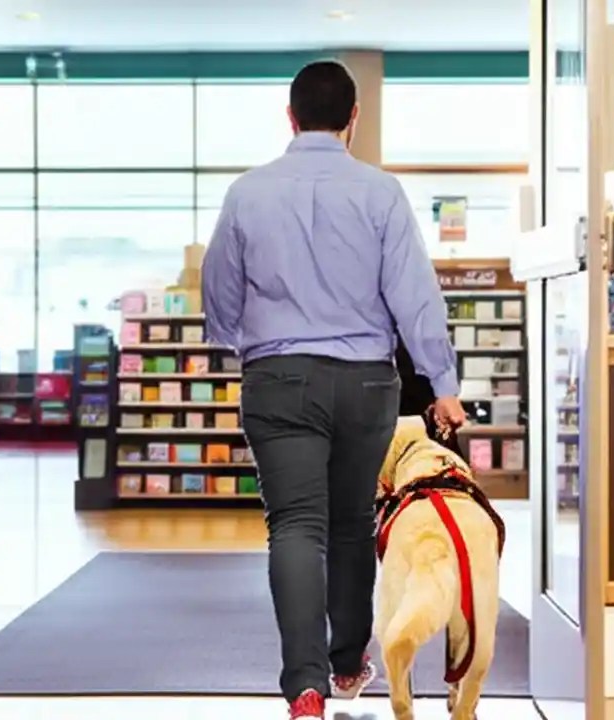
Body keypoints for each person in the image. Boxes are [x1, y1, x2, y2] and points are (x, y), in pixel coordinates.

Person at [201, 59, 466, 720]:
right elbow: (415, 295)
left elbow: (218, 293)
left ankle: (306, 688)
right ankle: (348, 664)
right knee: (351, 523)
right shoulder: (381, 193)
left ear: (290, 118)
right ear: (354, 118)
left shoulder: (247, 193)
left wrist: (245, 341)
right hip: (365, 383)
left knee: (294, 526)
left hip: (278, 380)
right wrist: (443, 382)